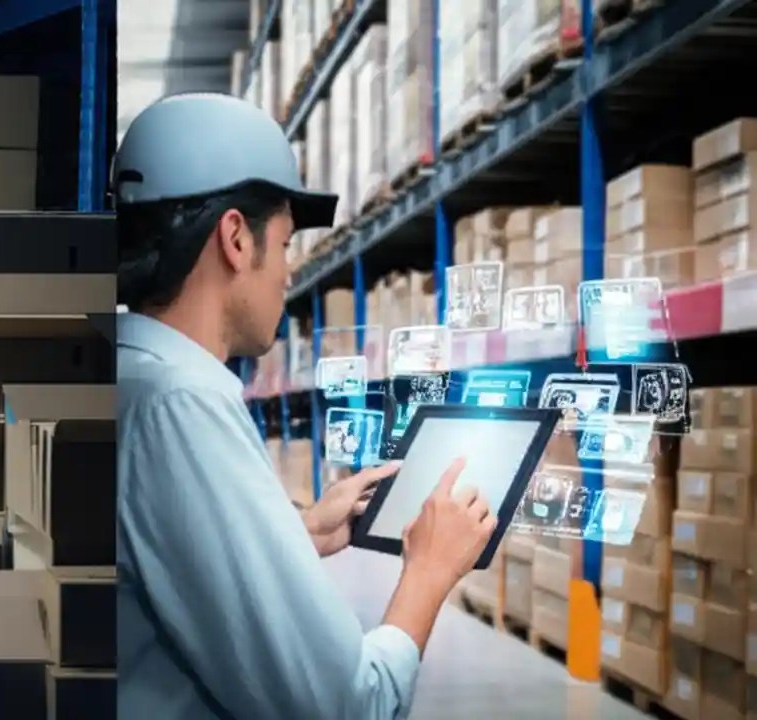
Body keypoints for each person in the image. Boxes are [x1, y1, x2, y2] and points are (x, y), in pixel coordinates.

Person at [114, 93, 497, 720]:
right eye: (287, 244)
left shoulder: (130, 374)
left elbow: (168, 564)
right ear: (236, 239)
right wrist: (430, 570)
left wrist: (300, 534)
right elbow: (345, 705)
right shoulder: (181, 403)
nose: (289, 273)